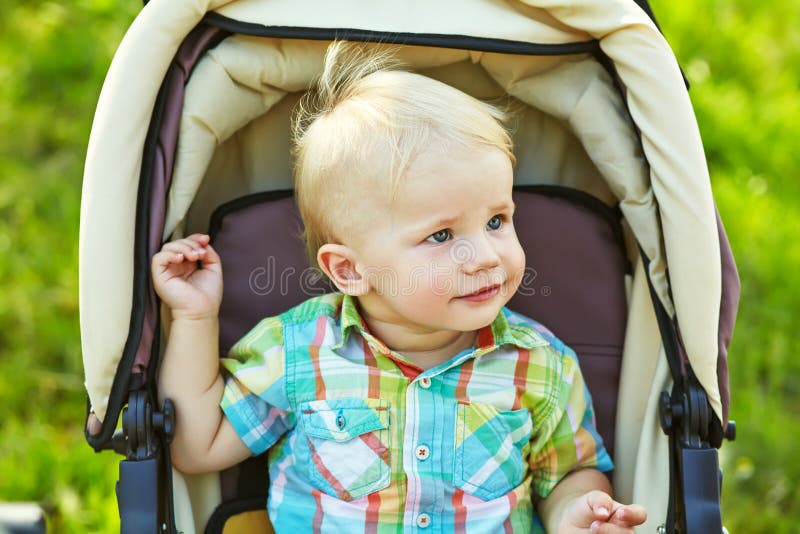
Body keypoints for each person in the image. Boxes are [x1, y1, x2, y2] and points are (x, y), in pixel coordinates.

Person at [152, 42, 646, 533]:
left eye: (497, 220)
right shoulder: (301, 353)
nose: (488, 256)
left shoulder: (540, 365)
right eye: (441, 235)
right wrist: (196, 318)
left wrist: (578, 513)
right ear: (348, 271)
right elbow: (199, 447)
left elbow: (569, 474)